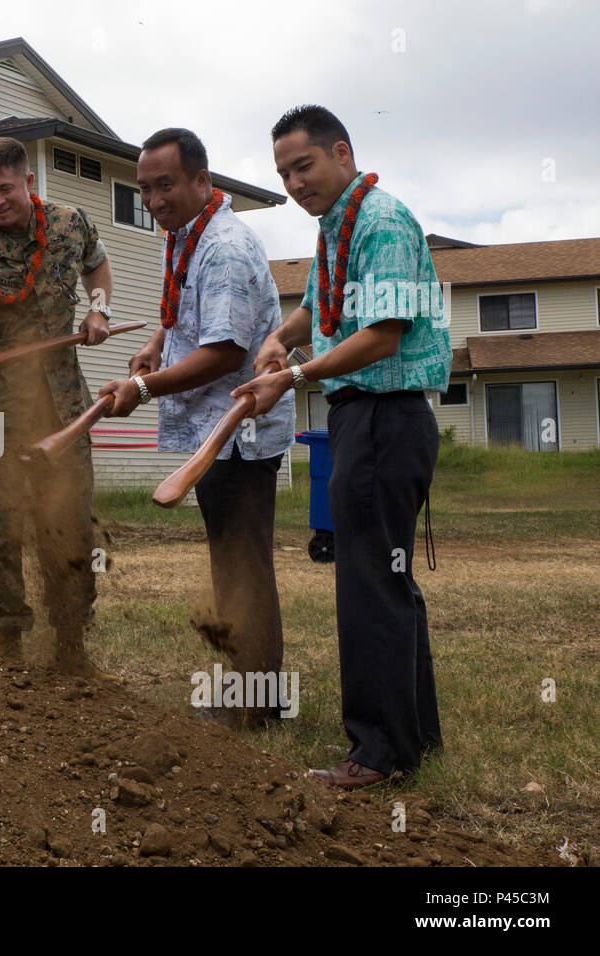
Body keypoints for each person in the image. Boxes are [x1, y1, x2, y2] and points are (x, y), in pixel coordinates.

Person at [233, 105, 451, 787]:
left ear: (342, 153)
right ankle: (414, 736)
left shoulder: (380, 222)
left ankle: (379, 753)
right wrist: (283, 336)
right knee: (385, 578)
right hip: (365, 418)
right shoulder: (336, 227)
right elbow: (320, 310)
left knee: (368, 585)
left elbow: (381, 335)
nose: (295, 183)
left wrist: (292, 375)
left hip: (385, 416)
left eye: (304, 165)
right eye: (283, 173)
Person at [98, 128, 295, 727]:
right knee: (232, 559)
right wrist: (156, 345)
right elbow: (184, 315)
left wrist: (142, 388)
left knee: (242, 564)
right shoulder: (187, 237)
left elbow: (221, 352)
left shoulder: (226, 247)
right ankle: (253, 695)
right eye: (145, 189)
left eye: (166, 185)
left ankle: (253, 707)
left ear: (201, 182)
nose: (154, 200)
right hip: (215, 432)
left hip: (239, 430)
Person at [0, 136, 114, 676]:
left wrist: (98, 310)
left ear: (29, 182)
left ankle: (70, 644)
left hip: (60, 405)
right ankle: (9, 644)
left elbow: (97, 269)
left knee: (66, 522)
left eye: (5, 188)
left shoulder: (70, 223)